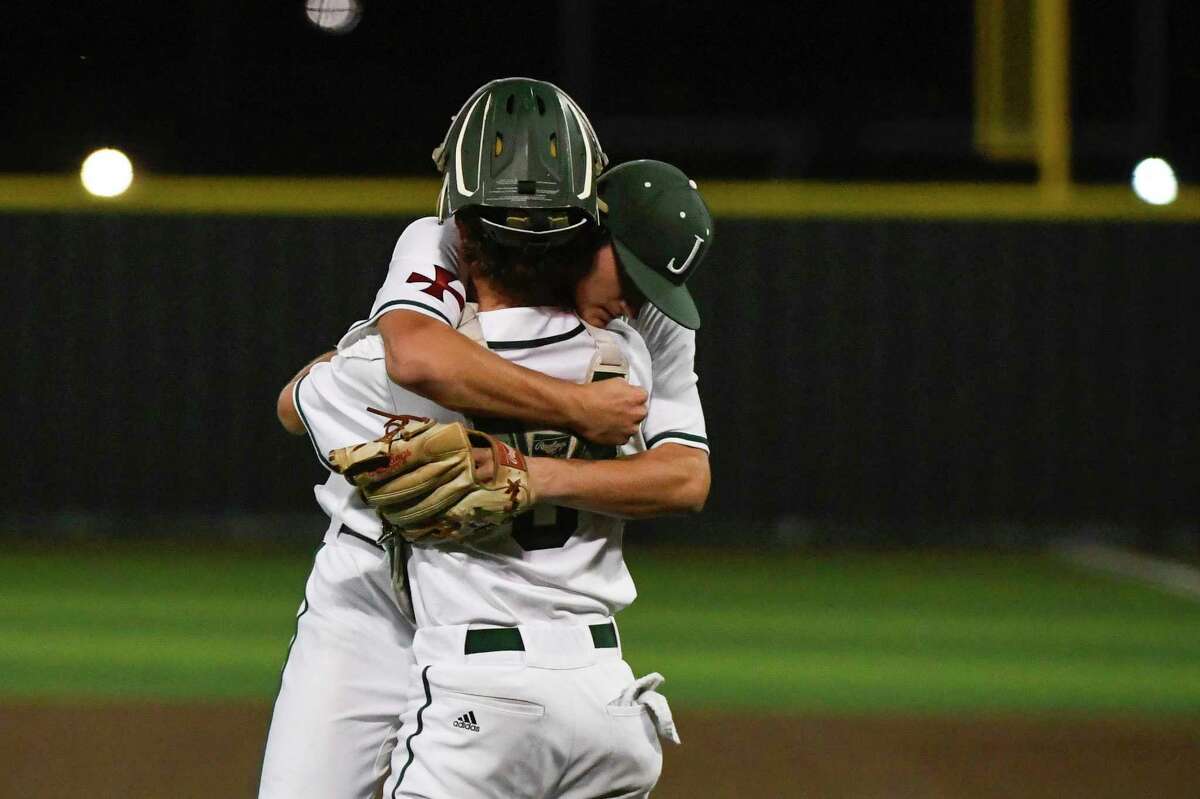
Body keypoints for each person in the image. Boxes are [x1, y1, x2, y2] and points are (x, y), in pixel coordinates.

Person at [258, 78, 712, 798]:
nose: (635, 297)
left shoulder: (647, 316)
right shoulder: (442, 247)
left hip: (488, 607)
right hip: (374, 582)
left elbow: (687, 478)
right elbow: (415, 357)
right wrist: (576, 411)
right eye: (630, 274)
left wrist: (535, 471)